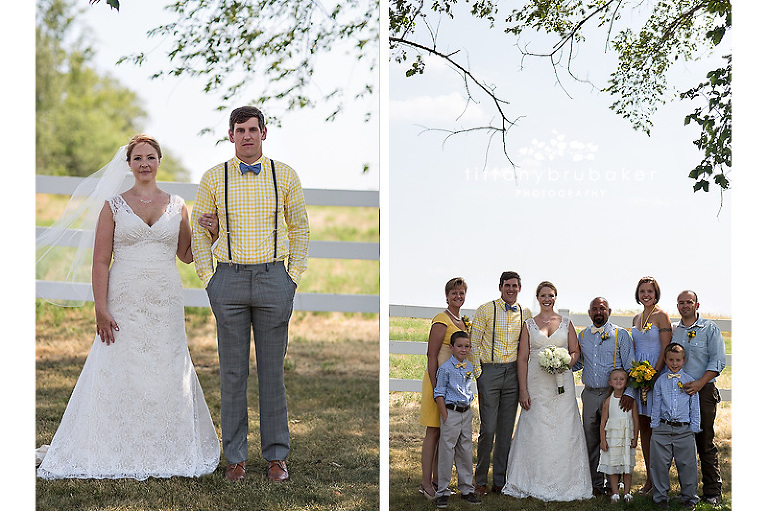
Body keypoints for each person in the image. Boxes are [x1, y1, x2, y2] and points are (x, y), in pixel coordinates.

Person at [36, 135, 221, 479]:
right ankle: (110, 442)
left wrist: (211, 233)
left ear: (159, 161)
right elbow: (101, 260)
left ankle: (163, 444)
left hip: (165, 299)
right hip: (124, 299)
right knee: (120, 365)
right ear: (129, 164)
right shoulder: (113, 205)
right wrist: (100, 308)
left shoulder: (177, 204)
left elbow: (186, 254)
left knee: (166, 364)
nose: (145, 164)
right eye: (138, 158)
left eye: (151, 157)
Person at [190, 106, 310, 483]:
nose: (246, 136)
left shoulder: (284, 174)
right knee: (232, 372)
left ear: (264, 133)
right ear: (230, 135)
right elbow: (198, 230)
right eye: (239, 130)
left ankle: (276, 457)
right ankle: (236, 459)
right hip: (229, 280)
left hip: (275, 279)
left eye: (253, 129)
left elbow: (301, 228)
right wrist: (209, 278)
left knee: (272, 374)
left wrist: (292, 276)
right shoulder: (215, 177)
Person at [502, 281, 592, 501]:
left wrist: (565, 362)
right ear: (537, 297)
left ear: (555, 297)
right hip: (537, 384)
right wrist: (523, 390)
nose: (547, 299)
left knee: (564, 428)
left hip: (562, 384)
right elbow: (522, 358)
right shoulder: (529, 325)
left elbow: (575, 352)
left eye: (551, 295)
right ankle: (531, 479)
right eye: (543, 295)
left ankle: (568, 481)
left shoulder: (566, 323)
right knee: (536, 428)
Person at [468, 271, 532, 495]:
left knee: (506, 430)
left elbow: (528, 347)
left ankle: (499, 481)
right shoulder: (486, 309)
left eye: (515, 285)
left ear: (520, 288)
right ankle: (480, 480)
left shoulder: (526, 313)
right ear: (500, 287)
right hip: (490, 371)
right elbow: (473, 344)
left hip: (513, 374)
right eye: (507, 285)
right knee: (488, 428)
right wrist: (479, 373)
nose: (511, 289)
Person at [573, 297, 636, 496]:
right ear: (589, 312)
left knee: (614, 440)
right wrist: (557, 363)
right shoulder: (582, 336)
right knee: (591, 440)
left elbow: (631, 367)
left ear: (609, 311)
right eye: (594, 309)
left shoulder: (621, 335)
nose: (598, 312)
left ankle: (613, 487)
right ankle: (595, 485)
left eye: (602, 308)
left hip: (614, 397)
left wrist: (629, 394)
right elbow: (577, 364)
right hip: (590, 395)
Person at [670, 290, 727, 505]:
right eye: (681, 302)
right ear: (677, 306)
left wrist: (700, 383)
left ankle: (712, 491)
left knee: (704, 442)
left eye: (689, 302)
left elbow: (718, 361)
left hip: (703, 391)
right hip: (680, 393)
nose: (685, 306)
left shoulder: (709, 328)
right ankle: (688, 492)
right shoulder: (675, 331)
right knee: (683, 444)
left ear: (697, 304)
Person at [419, 277, 469, 499]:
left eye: (461, 293)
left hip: (454, 386)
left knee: (445, 432)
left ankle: (438, 480)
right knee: (433, 431)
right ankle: (425, 482)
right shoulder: (441, 319)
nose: (458, 296)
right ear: (447, 295)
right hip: (437, 382)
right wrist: (435, 384)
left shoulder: (462, 322)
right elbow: (432, 354)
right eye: (454, 293)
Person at [630, 276, 672, 495]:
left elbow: (666, 349)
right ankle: (649, 479)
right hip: (639, 379)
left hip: (656, 376)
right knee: (644, 428)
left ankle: (661, 479)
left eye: (650, 291)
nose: (646, 294)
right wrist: (638, 378)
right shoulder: (636, 317)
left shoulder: (661, 316)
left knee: (658, 429)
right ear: (637, 294)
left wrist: (652, 377)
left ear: (656, 293)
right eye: (642, 291)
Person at [433, 331, 481, 508]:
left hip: (466, 413)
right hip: (450, 413)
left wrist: (469, 405)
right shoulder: (445, 368)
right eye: (459, 346)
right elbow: (439, 392)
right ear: (451, 347)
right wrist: (445, 415)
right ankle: (443, 491)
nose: (463, 349)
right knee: (447, 451)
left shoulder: (469, 367)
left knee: (466, 450)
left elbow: (467, 388)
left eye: (466, 346)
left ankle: (467, 489)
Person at [649, 343, 701, 510]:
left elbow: (695, 407)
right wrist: (655, 426)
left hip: (684, 430)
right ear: (665, 360)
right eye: (671, 360)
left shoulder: (690, 382)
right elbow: (656, 404)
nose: (674, 363)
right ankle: (661, 498)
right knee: (658, 464)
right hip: (662, 429)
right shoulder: (660, 382)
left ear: (683, 360)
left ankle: (689, 498)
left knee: (688, 465)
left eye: (678, 360)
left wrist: (694, 427)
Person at [598, 368, 640, 504]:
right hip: (612, 438)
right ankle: (615, 493)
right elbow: (603, 421)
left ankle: (627, 493)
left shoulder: (631, 401)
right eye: (615, 379)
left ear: (626, 382)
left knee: (627, 465)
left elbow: (635, 420)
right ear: (610, 382)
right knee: (613, 465)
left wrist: (635, 437)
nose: (618, 381)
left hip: (626, 437)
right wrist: (603, 440)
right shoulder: (608, 401)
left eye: (622, 379)